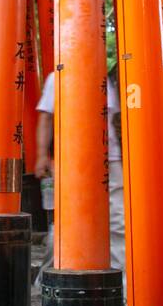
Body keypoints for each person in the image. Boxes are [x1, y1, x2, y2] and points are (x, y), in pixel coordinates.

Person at [34, 67, 124, 271]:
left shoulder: (106, 79)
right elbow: (46, 118)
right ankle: (50, 273)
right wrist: (41, 155)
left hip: (110, 158)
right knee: (68, 220)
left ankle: (123, 284)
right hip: (72, 161)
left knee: (118, 220)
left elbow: (116, 120)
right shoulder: (57, 77)